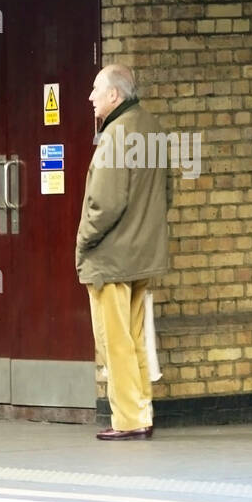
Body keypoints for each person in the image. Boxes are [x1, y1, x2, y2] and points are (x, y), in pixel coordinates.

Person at [76, 64, 168, 441]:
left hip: (112, 258)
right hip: (143, 254)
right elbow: (166, 195)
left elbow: (106, 202)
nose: (91, 97)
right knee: (134, 338)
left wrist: (84, 240)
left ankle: (129, 419)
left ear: (114, 95)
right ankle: (141, 410)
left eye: (96, 89)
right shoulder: (152, 128)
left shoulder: (115, 135)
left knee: (115, 342)